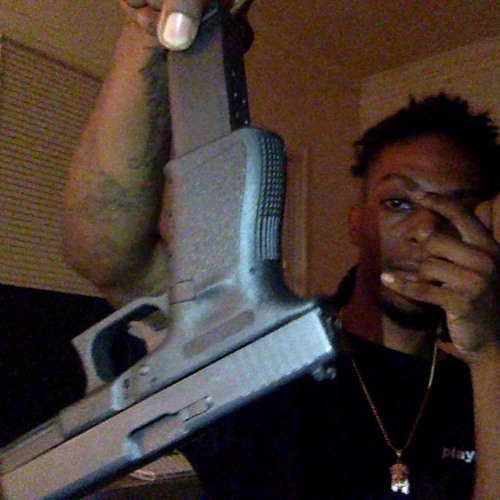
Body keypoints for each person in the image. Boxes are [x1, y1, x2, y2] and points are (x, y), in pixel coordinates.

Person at [63, 1, 499, 498]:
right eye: (398, 202)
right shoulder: (267, 346)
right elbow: (107, 256)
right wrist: (148, 32)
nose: (426, 229)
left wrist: (491, 353)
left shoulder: (482, 383)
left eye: (456, 209)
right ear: (356, 221)